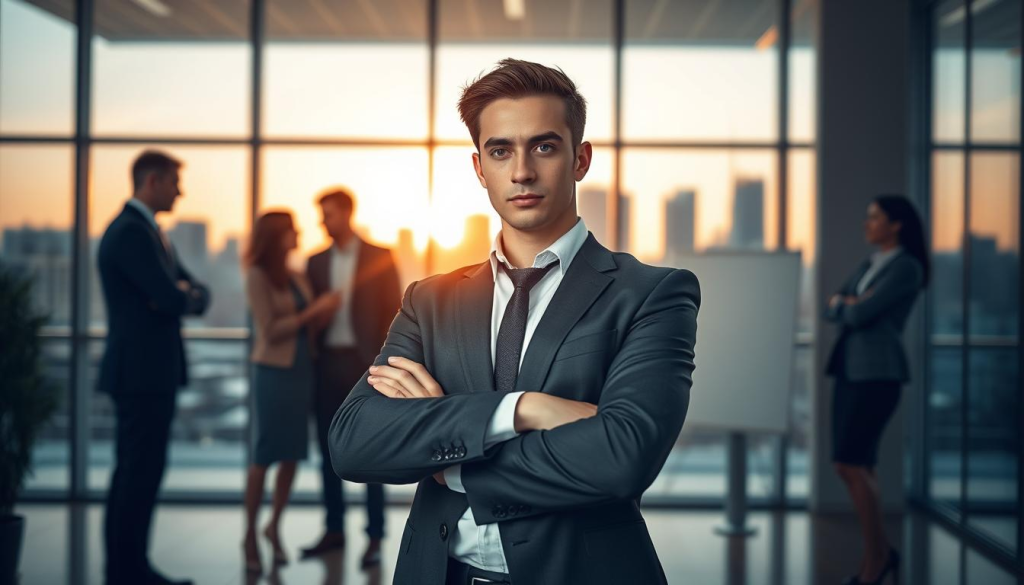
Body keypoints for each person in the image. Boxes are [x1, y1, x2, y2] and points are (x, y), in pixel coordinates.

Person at [328, 58, 700, 585]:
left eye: (544, 147)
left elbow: (624, 456)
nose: (521, 171)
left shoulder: (650, 294)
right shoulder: (429, 301)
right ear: (480, 168)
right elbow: (353, 443)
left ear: (580, 159)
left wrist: (448, 455)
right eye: (500, 151)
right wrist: (525, 410)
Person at [97, 150, 210, 585]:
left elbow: (195, 293)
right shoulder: (131, 233)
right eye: (174, 183)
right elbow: (172, 297)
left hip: (147, 374)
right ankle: (128, 571)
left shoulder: (150, 232)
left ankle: (129, 568)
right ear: (152, 181)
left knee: (138, 474)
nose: (180, 193)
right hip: (140, 375)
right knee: (136, 476)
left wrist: (181, 294)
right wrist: (179, 295)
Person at [824, 195, 929, 585]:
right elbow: (833, 304)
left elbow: (857, 312)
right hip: (850, 370)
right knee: (858, 465)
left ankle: (877, 560)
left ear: (896, 223)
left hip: (878, 374)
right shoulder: (872, 263)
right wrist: (847, 302)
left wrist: (849, 303)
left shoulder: (907, 267)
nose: (867, 223)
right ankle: (881, 554)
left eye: (874, 217)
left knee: (850, 464)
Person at [301, 189, 401, 567]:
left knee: (372, 450)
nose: (322, 222)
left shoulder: (380, 256)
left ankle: (374, 536)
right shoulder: (315, 262)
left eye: (328, 215)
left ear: (346, 213)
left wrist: (384, 365)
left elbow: (396, 315)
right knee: (327, 449)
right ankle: (334, 530)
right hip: (326, 364)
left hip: (367, 368)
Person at [242, 211, 341, 574]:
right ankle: (250, 535)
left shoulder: (297, 275)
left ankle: (274, 526)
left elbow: (308, 325)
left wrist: (326, 312)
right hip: (273, 373)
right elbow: (270, 330)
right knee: (265, 453)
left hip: (303, 371)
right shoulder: (256, 276)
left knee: (292, 454)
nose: (298, 233)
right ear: (275, 236)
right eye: (291, 230)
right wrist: (314, 311)